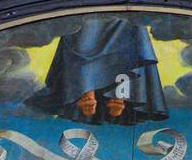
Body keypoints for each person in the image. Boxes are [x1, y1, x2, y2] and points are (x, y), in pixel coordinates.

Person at [25, 16, 168, 124]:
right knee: (83, 42)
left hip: (121, 10)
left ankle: (118, 96)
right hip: (90, 9)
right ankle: (87, 94)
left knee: (129, 38)